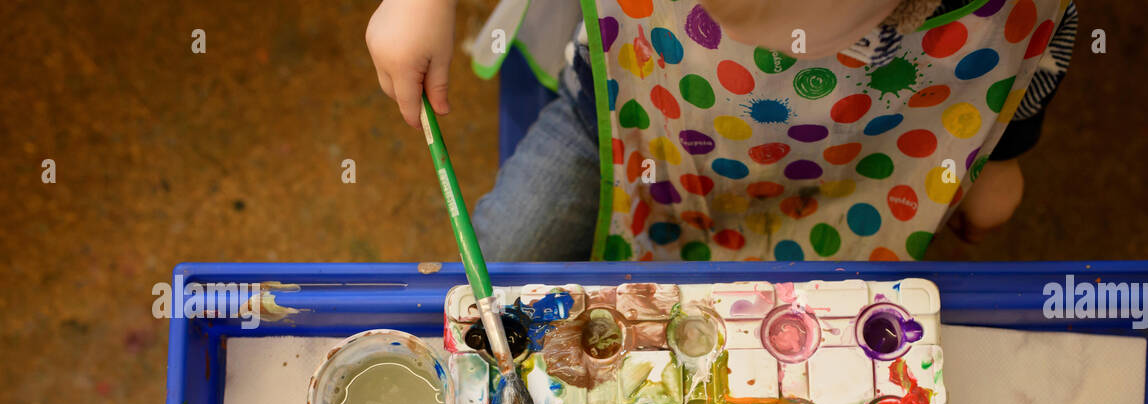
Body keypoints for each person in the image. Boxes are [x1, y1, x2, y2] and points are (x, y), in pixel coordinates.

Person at [367, 0, 1077, 261]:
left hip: (860, 158)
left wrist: (1004, 156)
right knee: (497, 266)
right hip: (630, 116)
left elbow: (1028, 55)